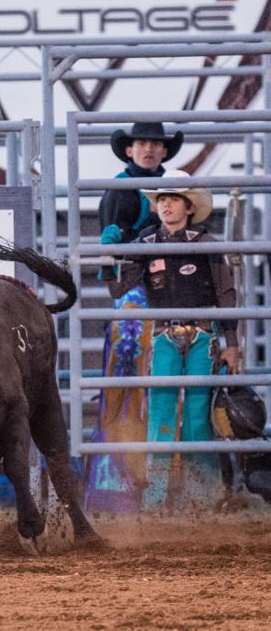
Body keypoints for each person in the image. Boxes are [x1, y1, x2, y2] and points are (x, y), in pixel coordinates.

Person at [108, 170, 240, 511]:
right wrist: (110, 260)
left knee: (197, 414)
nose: (166, 205)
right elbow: (120, 290)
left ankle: (202, 498)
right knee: (162, 414)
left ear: (188, 206)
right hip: (166, 335)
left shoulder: (208, 246)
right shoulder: (145, 245)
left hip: (201, 335)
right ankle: (155, 499)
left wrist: (231, 343)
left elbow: (226, 293)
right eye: (162, 200)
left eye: (173, 199)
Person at [85, 122, 182, 511]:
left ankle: (152, 476)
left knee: (154, 379)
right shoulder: (122, 190)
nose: (148, 150)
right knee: (131, 370)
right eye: (142, 143)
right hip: (137, 294)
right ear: (130, 150)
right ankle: (126, 477)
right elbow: (111, 247)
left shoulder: (164, 185)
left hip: (164, 291)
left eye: (155, 144)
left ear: (163, 152)